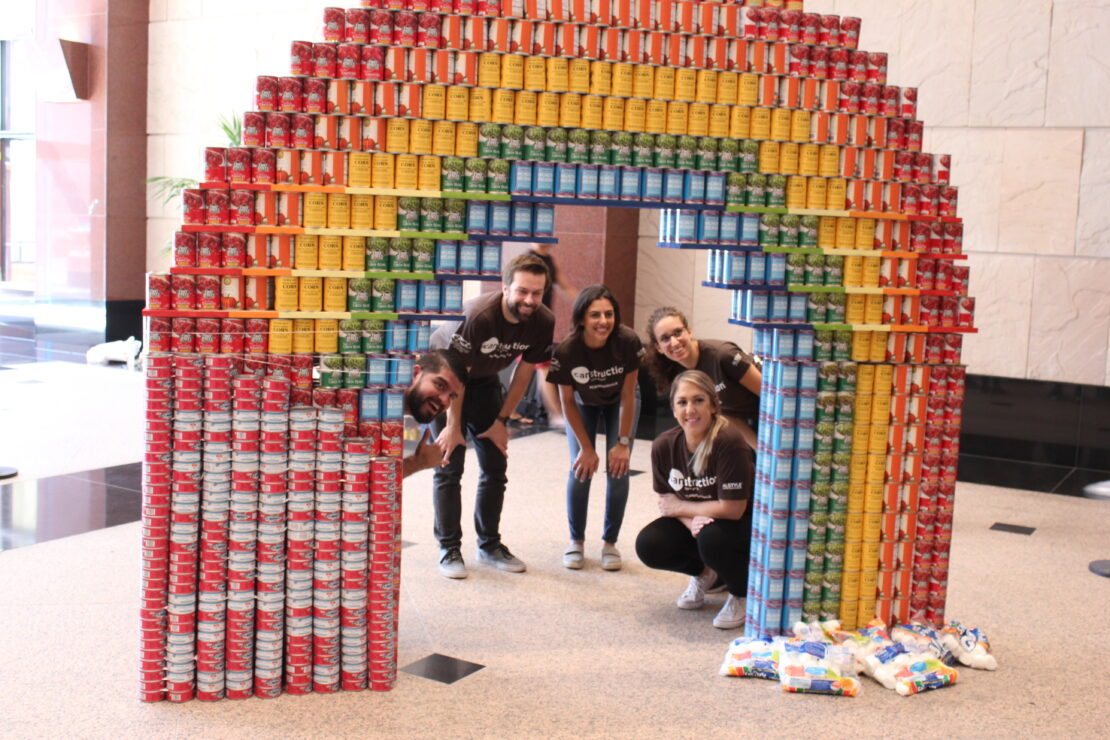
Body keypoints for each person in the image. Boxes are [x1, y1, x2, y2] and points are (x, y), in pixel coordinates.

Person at [428, 253, 556, 579]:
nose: (529, 300)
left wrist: (501, 421)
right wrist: (454, 428)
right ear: (505, 288)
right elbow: (457, 377)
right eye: (522, 291)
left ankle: (489, 544)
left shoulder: (543, 321)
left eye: (536, 293)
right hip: (442, 380)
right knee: (449, 463)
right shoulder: (479, 316)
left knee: (495, 464)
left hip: (484, 381)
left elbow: (524, 375)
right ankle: (449, 548)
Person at [634, 370, 754, 630]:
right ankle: (704, 574)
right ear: (673, 409)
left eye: (698, 400)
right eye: (682, 402)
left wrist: (685, 508)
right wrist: (692, 523)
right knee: (649, 544)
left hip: (743, 524)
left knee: (712, 539)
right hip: (698, 520)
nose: (690, 409)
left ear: (713, 404)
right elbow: (667, 503)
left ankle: (741, 593)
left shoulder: (730, 442)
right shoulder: (663, 446)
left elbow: (733, 509)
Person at [546, 284, 642, 572]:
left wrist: (622, 443)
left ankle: (610, 543)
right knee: (581, 468)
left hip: (620, 402)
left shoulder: (627, 341)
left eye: (609, 314)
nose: (603, 321)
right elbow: (566, 402)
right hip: (582, 403)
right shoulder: (567, 350)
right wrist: (587, 449)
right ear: (581, 319)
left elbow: (628, 395)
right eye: (595, 315)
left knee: (618, 468)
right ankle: (576, 541)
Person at [644, 307, 762, 450]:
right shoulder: (676, 374)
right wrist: (759, 450)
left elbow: (769, 395)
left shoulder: (723, 355)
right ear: (659, 348)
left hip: (775, 413)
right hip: (742, 421)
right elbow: (727, 416)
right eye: (665, 338)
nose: (674, 342)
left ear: (689, 331)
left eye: (678, 332)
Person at [512, 242, 578, 427]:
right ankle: (556, 415)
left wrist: (584, 304)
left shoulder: (549, 260)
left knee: (525, 366)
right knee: (543, 367)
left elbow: (564, 286)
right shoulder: (529, 259)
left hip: (540, 321)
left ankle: (510, 410)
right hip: (527, 319)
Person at [402, 350, 468, 479]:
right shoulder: (371, 406)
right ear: (415, 374)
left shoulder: (412, 425)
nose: (444, 400)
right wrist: (418, 463)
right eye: (440, 385)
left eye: (452, 396)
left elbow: (381, 484)